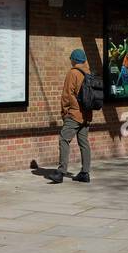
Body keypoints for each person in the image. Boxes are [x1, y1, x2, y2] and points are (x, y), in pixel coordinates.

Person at [51, 48, 92, 184]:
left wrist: (64, 113)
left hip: (74, 114)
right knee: (84, 142)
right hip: (87, 114)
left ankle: (61, 172)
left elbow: (66, 95)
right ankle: (85, 173)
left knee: (64, 139)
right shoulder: (88, 73)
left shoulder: (72, 73)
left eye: (71, 59)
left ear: (74, 60)